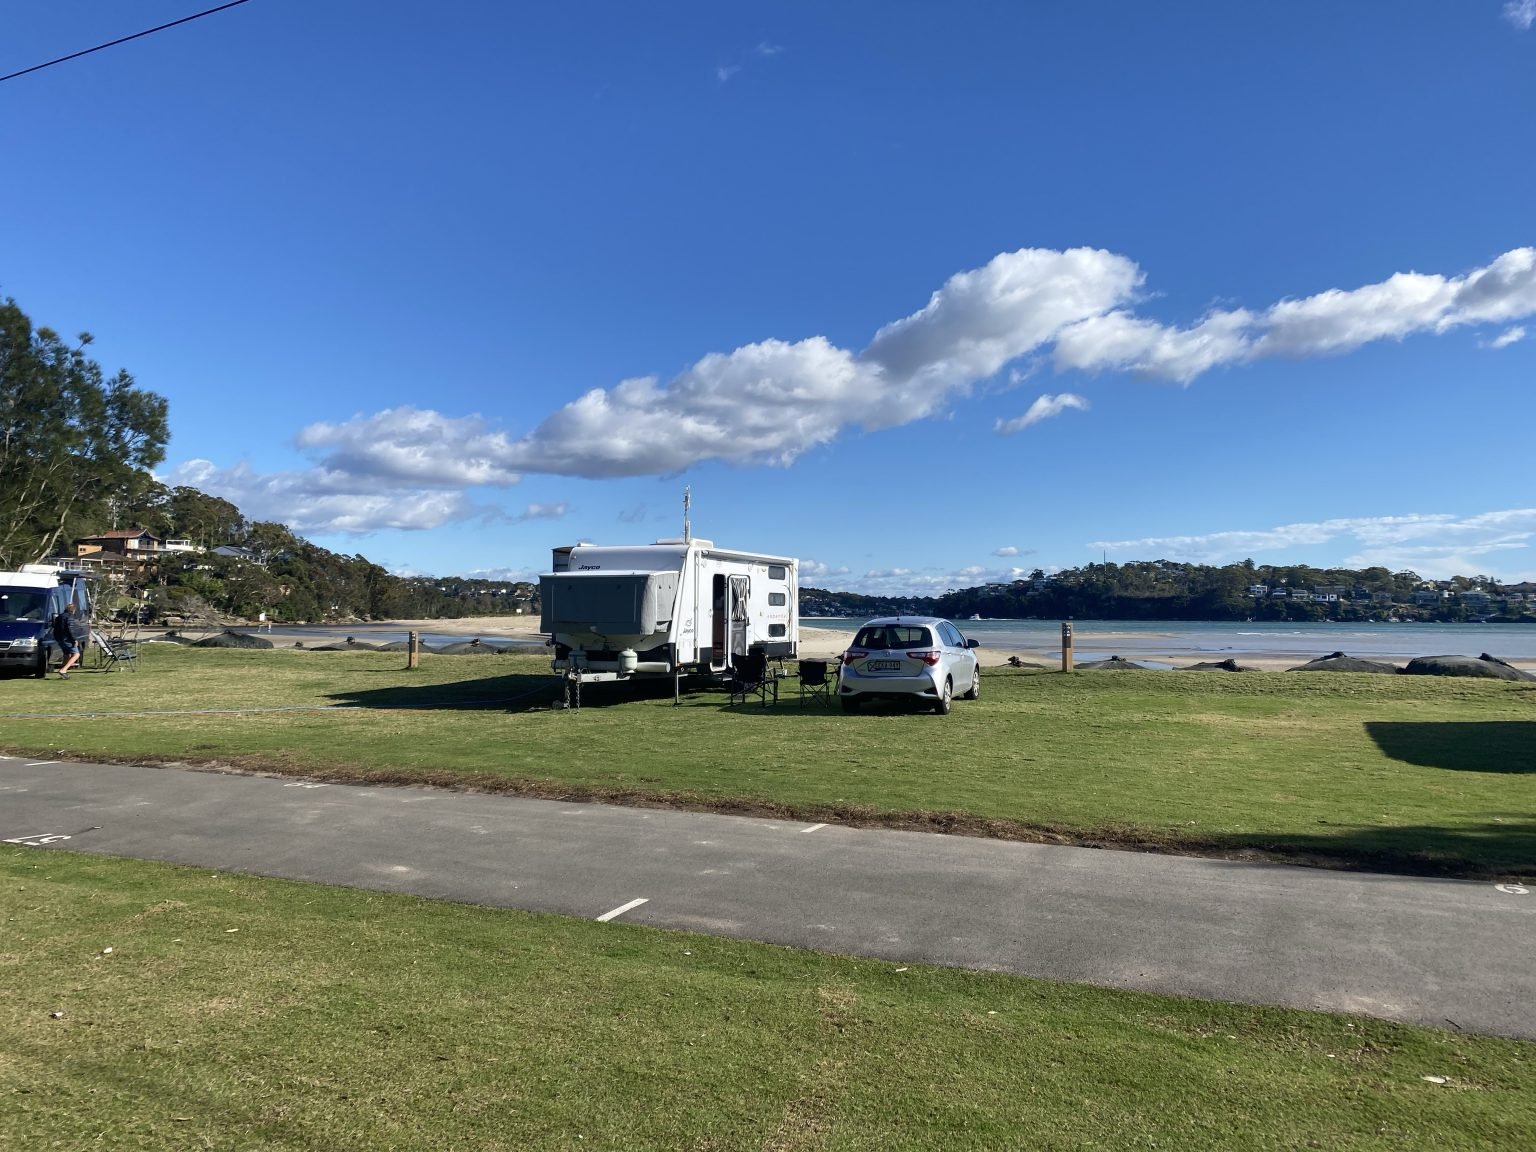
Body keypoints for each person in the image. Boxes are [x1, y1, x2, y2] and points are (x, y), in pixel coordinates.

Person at [52, 602, 89, 679]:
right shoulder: (70, 618)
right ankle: (63, 670)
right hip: (67, 639)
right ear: (73, 610)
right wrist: (74, 639)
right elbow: (71, 629)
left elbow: (55, 629)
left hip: (59, 638)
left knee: (67, 654)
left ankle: (64, 673)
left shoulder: (59, 617)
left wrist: (57, 638)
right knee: (76, 654)